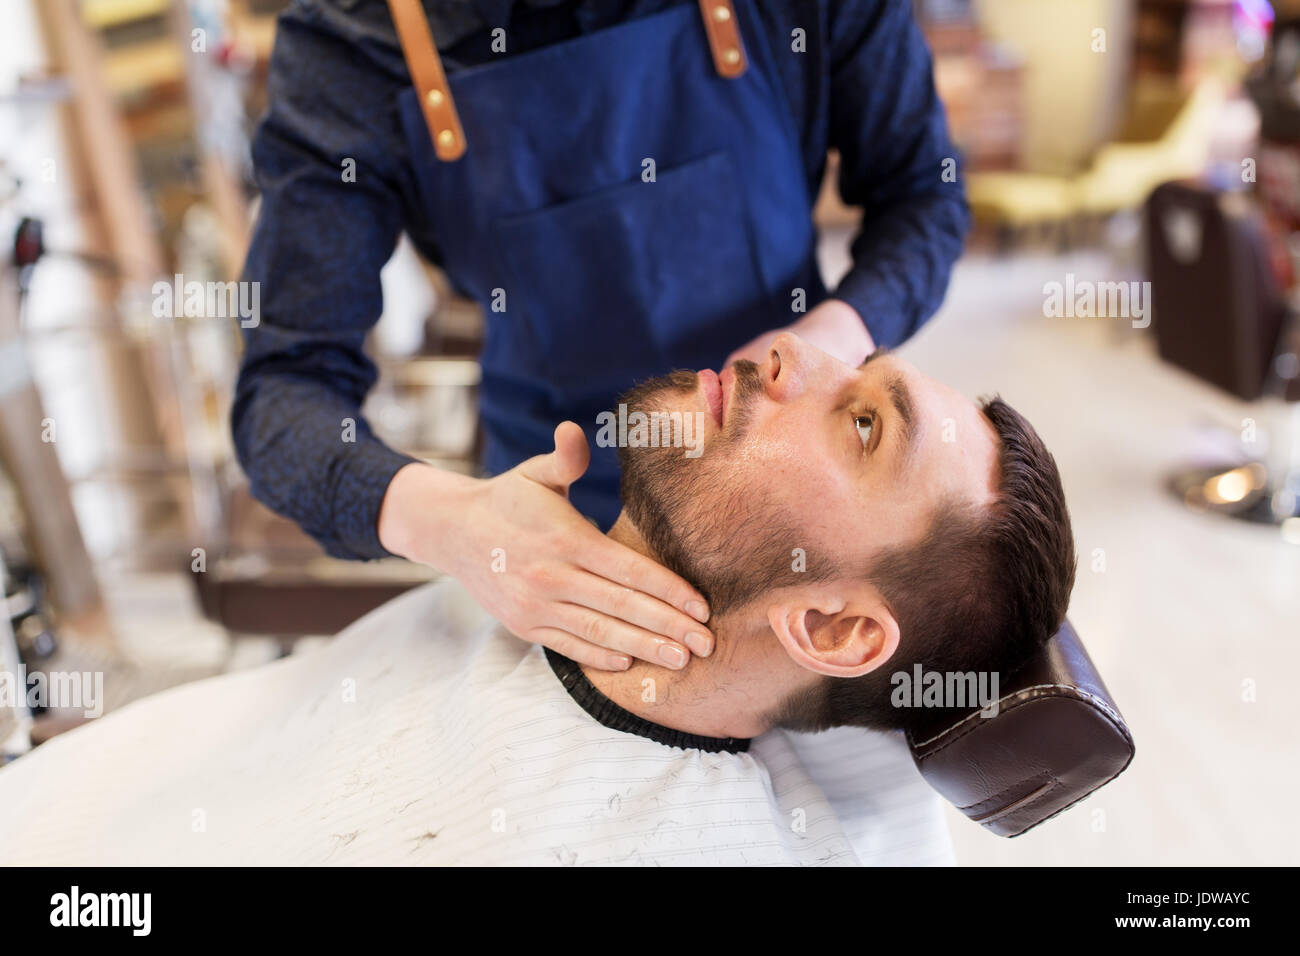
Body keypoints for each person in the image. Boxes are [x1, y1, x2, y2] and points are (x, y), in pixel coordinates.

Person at [0, 335, 1073, 865]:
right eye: (857, 369)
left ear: (835, 627)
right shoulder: (496, 579)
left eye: (863, 423)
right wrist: (427, 513)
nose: (790, 347)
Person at [232, 0, 970, 673]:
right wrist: (456, 524)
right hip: (553, 523)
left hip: (783, 527)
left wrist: (829, 339)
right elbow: (284, 391)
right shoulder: (352, 42)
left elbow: (923, 198)